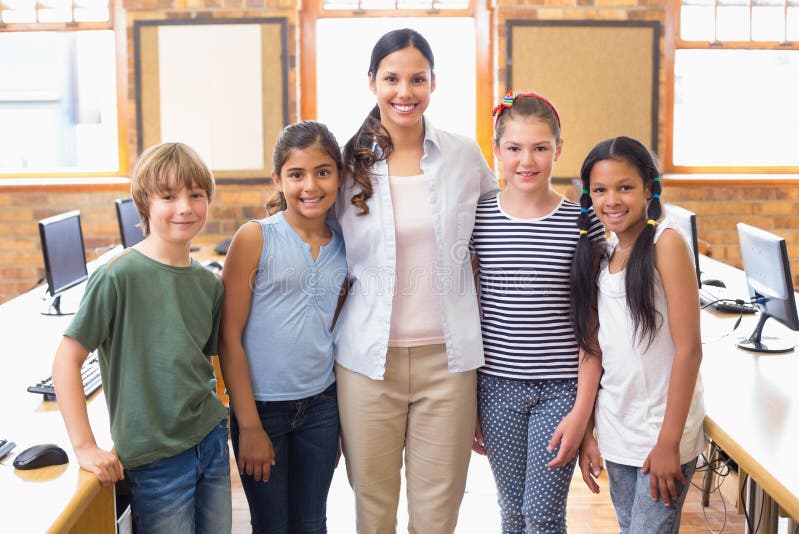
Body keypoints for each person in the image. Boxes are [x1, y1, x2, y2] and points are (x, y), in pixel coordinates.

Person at [335, 28, 498, 533]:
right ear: (371, 82)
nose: (404, 91)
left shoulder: (463, 156)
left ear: (433, 83)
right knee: (373, 511)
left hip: (447, 366)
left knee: (436, 515)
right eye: (392, 79)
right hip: (366, 364)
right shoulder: (345, 165)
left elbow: (499, 231)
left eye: (417, 79)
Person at [52, 142, 231, 533]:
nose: (184, 207)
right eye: (168, 196)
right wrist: (84, 446)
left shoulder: (208, 284)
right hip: (155, 458)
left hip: (210, 439)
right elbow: (66, 360)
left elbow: (206, 361)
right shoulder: (118, 276)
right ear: (145, 203)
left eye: (196, 195)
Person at [469, 91, 606, 533]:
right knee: (511, 511)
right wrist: (470, 400)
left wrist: (583, 414)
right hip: (496, 388)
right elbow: (469, 307)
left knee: (543, 515)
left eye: (540, 148)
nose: (527, 160)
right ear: (497, 150)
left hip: (561, 391)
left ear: (558, 149)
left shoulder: (583, 225)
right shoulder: (478, 217)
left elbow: (592, 329)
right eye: (514, 148)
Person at [571, 136, 705, 533]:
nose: (611, 200)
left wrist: (669, 443)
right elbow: (600, 352)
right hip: (617, 432)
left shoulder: (667, 245)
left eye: (624, 187)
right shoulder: (605, 253)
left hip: (660, 437)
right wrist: (590, 433)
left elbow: (689, 352)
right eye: (600, 190)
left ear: (650, 187)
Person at [218, 120, 347, 534]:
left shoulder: (347, 242)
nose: (310, 185)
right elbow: (229, 337)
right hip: (262, 411)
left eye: (323, 172)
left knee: (312, 523)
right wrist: (250, 424)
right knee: (272, 525)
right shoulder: (255, 238)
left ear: (339, 176)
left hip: (322, 408)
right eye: (296, 174)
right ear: (278, 180)